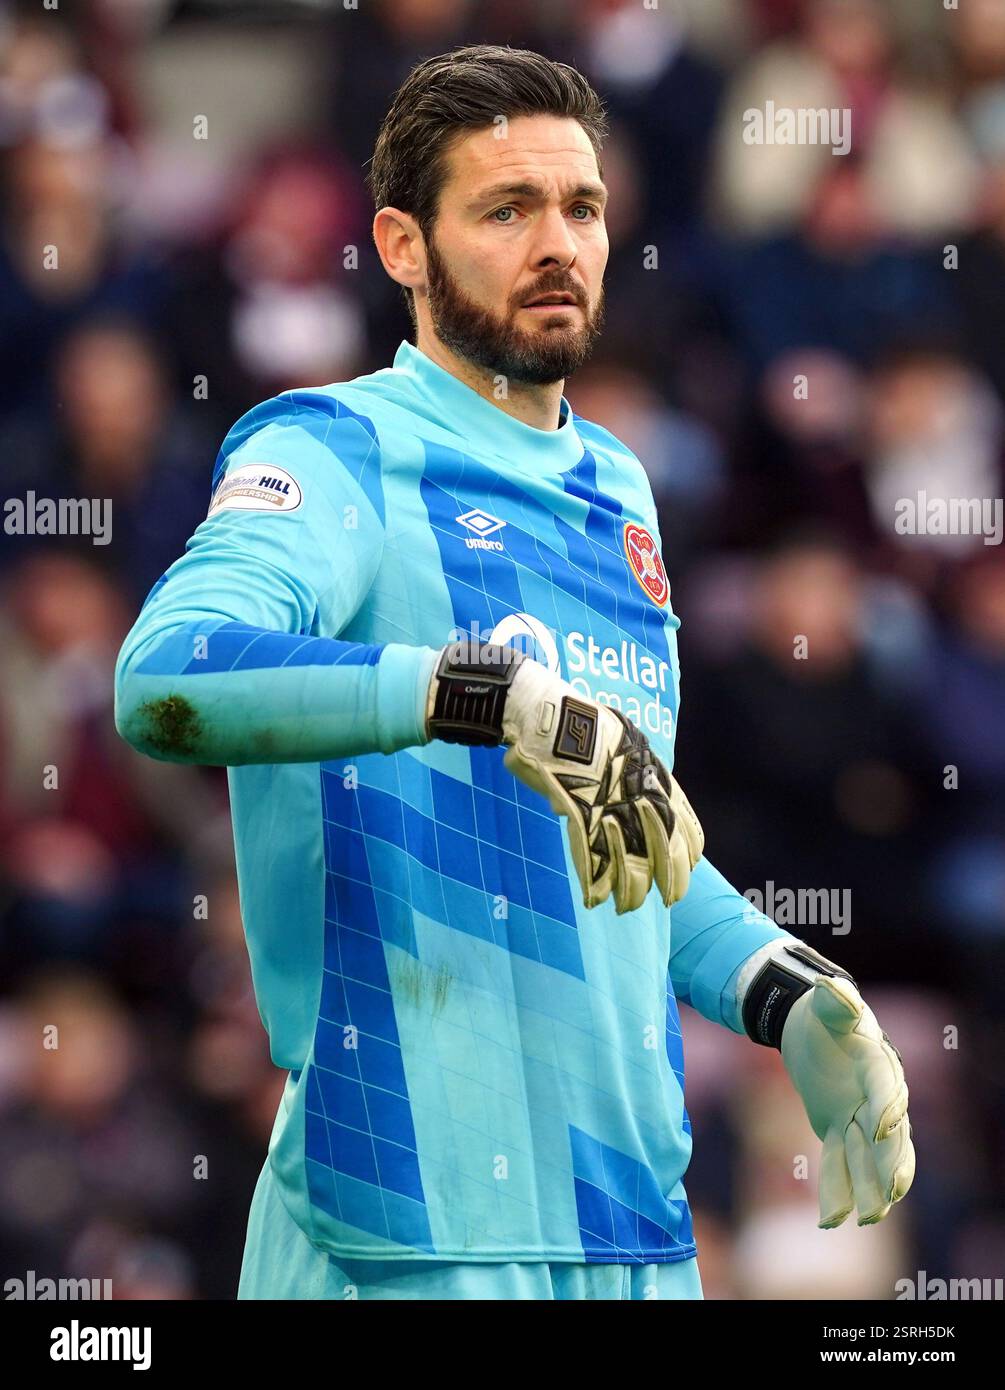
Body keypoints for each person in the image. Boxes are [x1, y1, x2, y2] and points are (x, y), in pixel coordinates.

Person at [114, 45, 913, 1302]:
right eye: (507, 209)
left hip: (635, 1237)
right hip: (403, 1228)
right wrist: (473, 694)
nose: (560, 243)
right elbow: (166, 677)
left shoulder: (622, 497)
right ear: (401, 246)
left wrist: (780, 984)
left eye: (581, 208)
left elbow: (624, 827)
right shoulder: (335, 449)